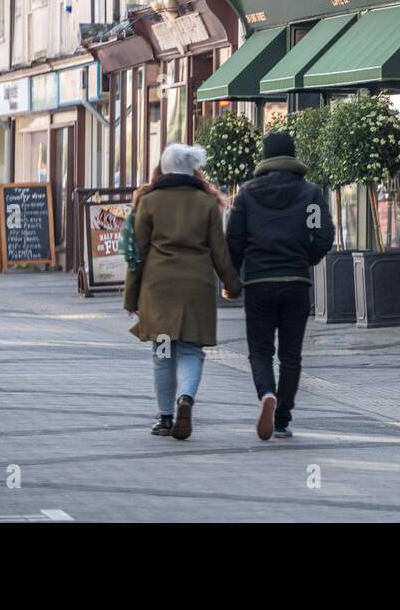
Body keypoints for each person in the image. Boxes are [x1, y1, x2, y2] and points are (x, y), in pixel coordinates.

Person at [124, 146, 241, 441]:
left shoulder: (149, 202)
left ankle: (164, 419)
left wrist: (130, 296)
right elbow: (219, 250)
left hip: (159, 290)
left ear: (162, 167)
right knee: (191, 350)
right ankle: (185, 399)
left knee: (163, 354)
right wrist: (232, 284)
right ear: (193, 170)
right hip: (196, 289)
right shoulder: (206, 203)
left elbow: (136, 254)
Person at [226, 130, 335, 442]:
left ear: (265, 156)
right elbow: (324, 235)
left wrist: (232, 279)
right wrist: (306, 258)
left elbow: (233, 240)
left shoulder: (247, 193)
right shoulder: (310, 193)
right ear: (292, 155)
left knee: (260, 350)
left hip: (259, 282)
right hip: (296, 283)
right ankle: (283, 418)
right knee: (291, 355)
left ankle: (266, 396)